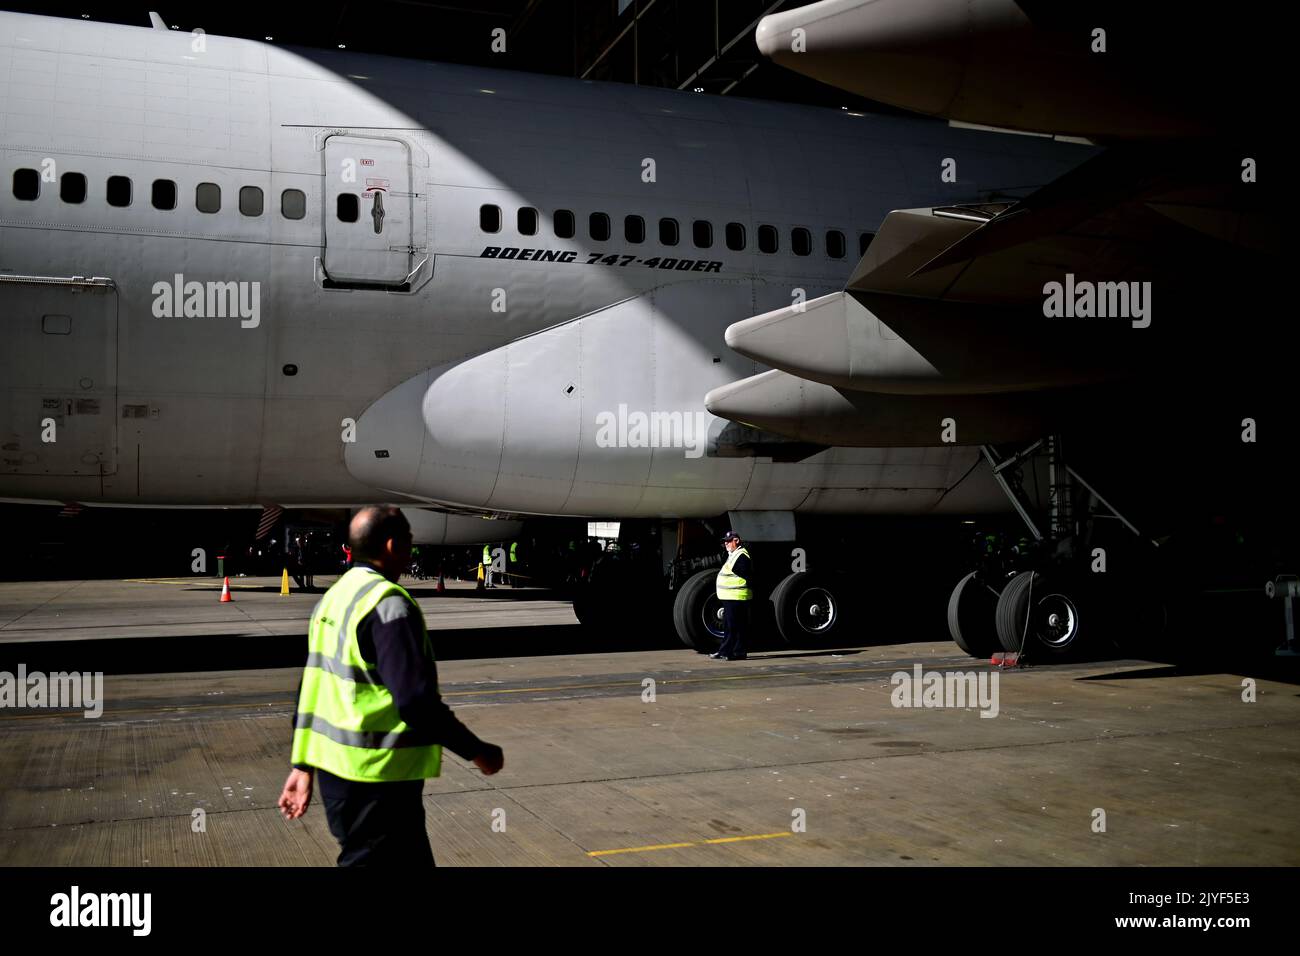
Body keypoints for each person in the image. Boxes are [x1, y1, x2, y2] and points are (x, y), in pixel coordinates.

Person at [278, 506, 504, 866]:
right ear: (390, 545)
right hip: (378, 781)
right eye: (409, 541)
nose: (412, 549)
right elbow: (415, 702)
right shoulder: (388, 604)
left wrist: (303, 764)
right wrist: (476, 750)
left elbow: (313, 687)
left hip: (338, 778)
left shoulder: (335, 598)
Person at [712, 531, 752, 661]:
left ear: (737, 541)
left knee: (735, 626)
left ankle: (737, 652)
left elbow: (745, 573)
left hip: (737, 596)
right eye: (725, 541)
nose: (726, 543)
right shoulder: (733, 554)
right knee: (729, 626)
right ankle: (724, 651)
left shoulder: (741, 555)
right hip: (730, 596)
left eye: (729, 541)